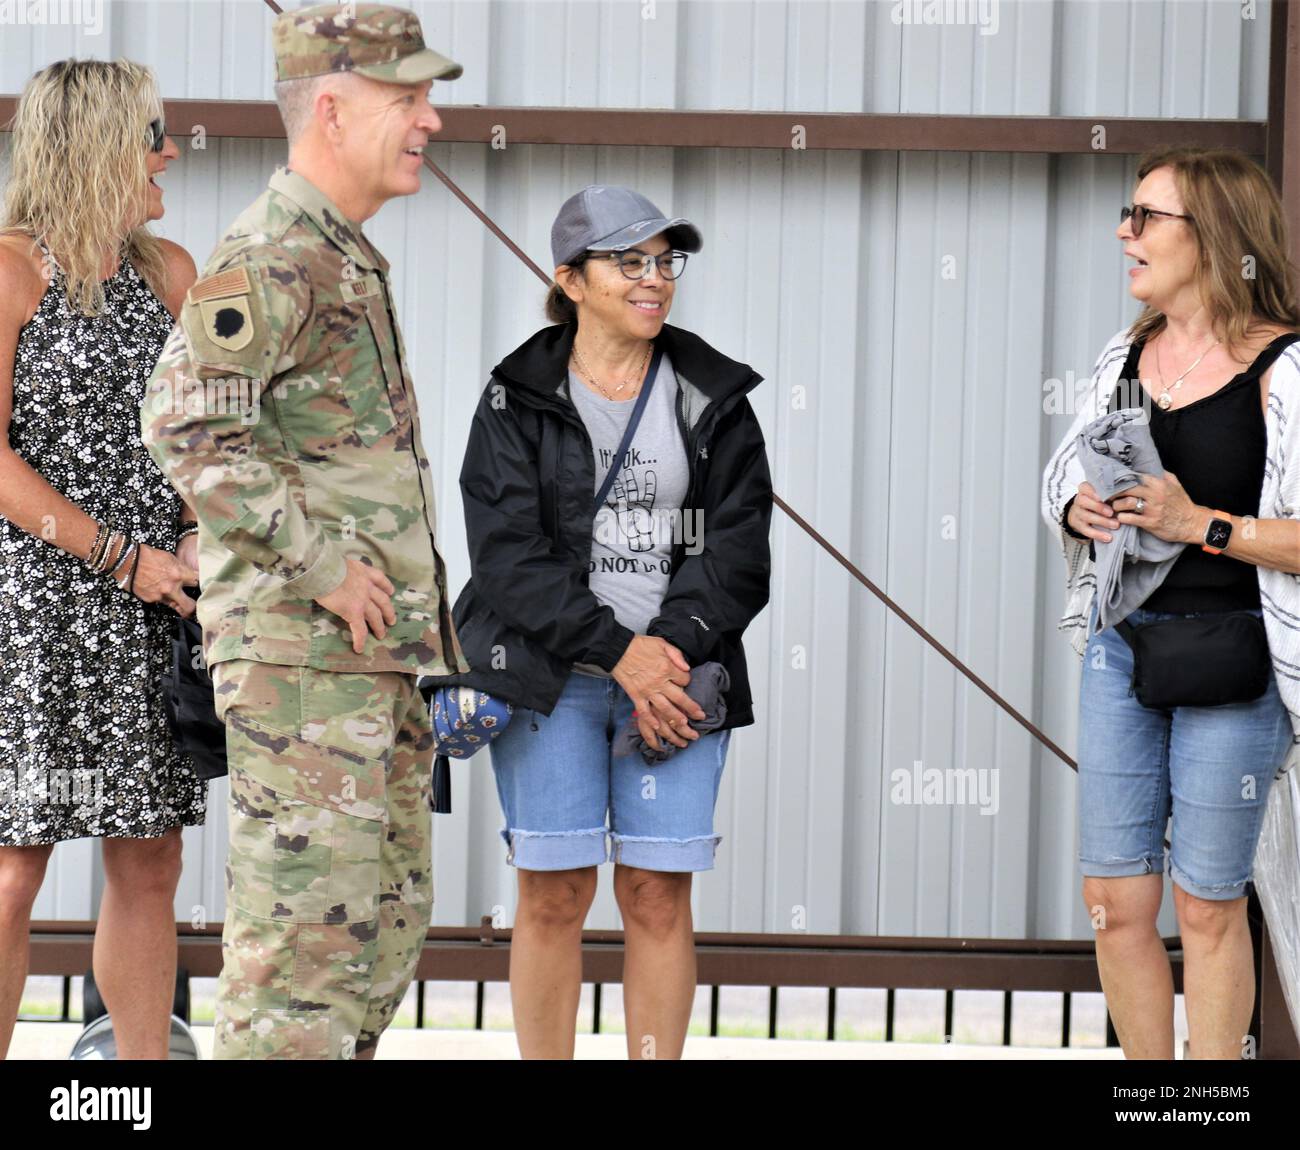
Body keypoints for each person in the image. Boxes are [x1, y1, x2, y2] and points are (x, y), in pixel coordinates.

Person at [141, 3, 469, 1060]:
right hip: (303, 666)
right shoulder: (276, 252)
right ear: (331, 106)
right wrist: (323, 568)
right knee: (298, 972)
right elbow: (184, 420)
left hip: (366, 667)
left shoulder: (339, 252)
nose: (430, 120)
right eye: (406, 98)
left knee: (370, 945)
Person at [445, 185, 772, 1059]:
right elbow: (507, 556)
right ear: (571, 280)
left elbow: (736, 551)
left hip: (677, 682)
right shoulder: (516, 398)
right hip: (556, 680)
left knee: (658, 894)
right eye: (629, 262)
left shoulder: (713, 394)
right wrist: (617, 654)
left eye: (666, 260)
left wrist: (668, 653)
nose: (655, 279)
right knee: (553, 893)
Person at [1041, 146, 1300, 1059]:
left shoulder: (1285, 367)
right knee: (1115, 902)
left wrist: (1204, 524)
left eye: (1146, 217)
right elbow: (1061, 481)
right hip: (1123, 647)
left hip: (1238, 659)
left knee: (1206, 901)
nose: (1124, 232)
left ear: (1218, 236)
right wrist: (1076, 507)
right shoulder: (1128, 352)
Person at [0, 59, 201, 1060]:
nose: (169, 151)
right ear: (92, 145)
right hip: (29, 611)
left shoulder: (171, 271)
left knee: (150, 859)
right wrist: (122, 556)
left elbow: (213, 439)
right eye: (151, 132)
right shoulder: (8, 271)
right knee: (10, 871)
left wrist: (202, 528)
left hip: (149, 606)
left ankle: (138, 1077)